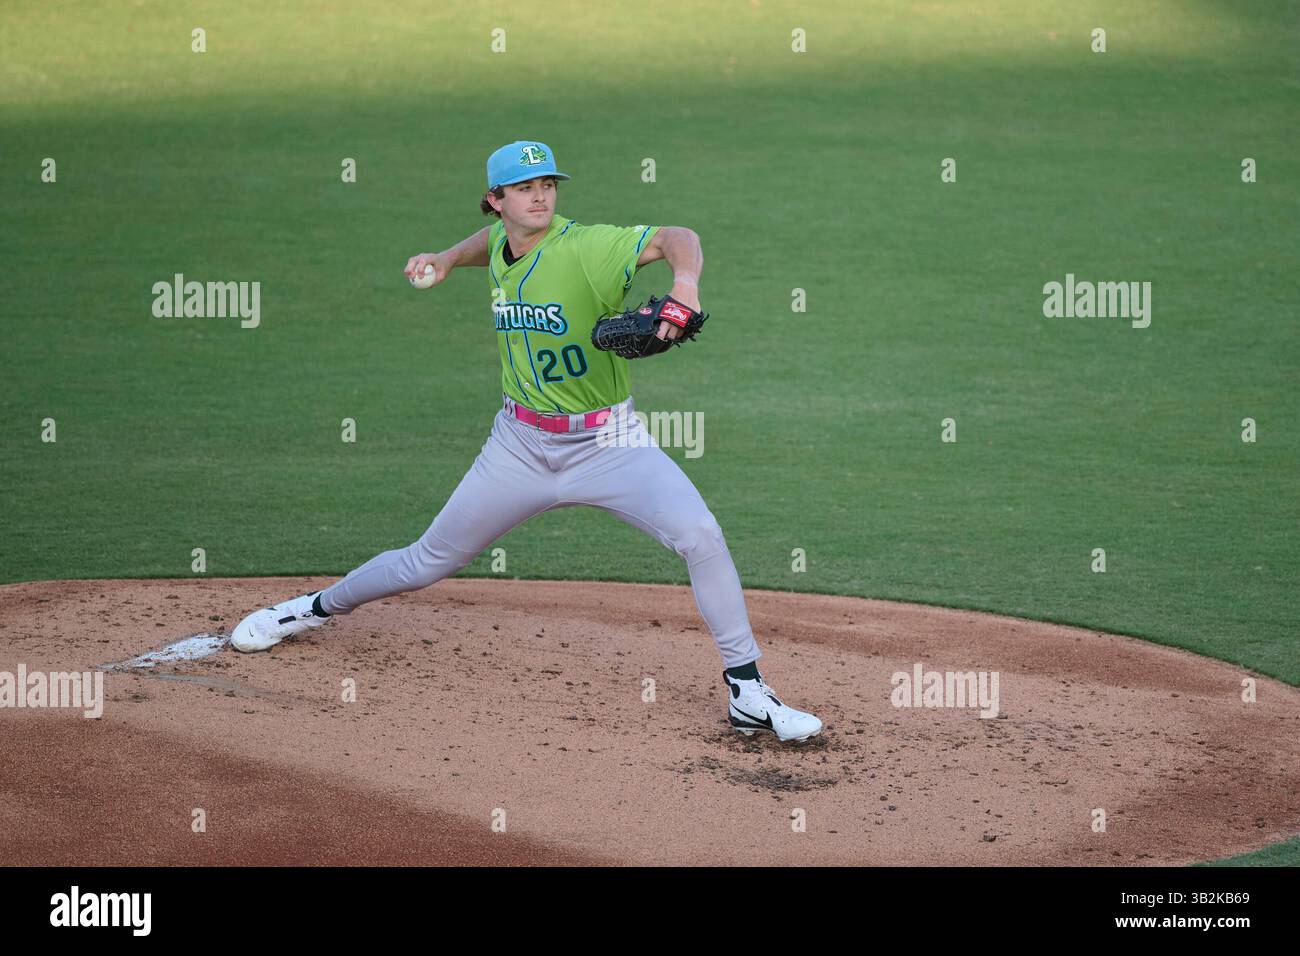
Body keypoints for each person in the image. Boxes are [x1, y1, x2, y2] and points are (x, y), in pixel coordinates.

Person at [229, 139, 822, 742]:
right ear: (496, 201)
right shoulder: (499, 244)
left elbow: (678, 235)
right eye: (523, 188)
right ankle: (310, 608)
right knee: (427, 560)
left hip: (608, 444)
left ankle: (747, 690)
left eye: (547, 185)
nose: (539, 196)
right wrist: (441, 256)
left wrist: (686, 284)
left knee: (700, 535)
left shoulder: (587, 247)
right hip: (517, 446)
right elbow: (482, 247)